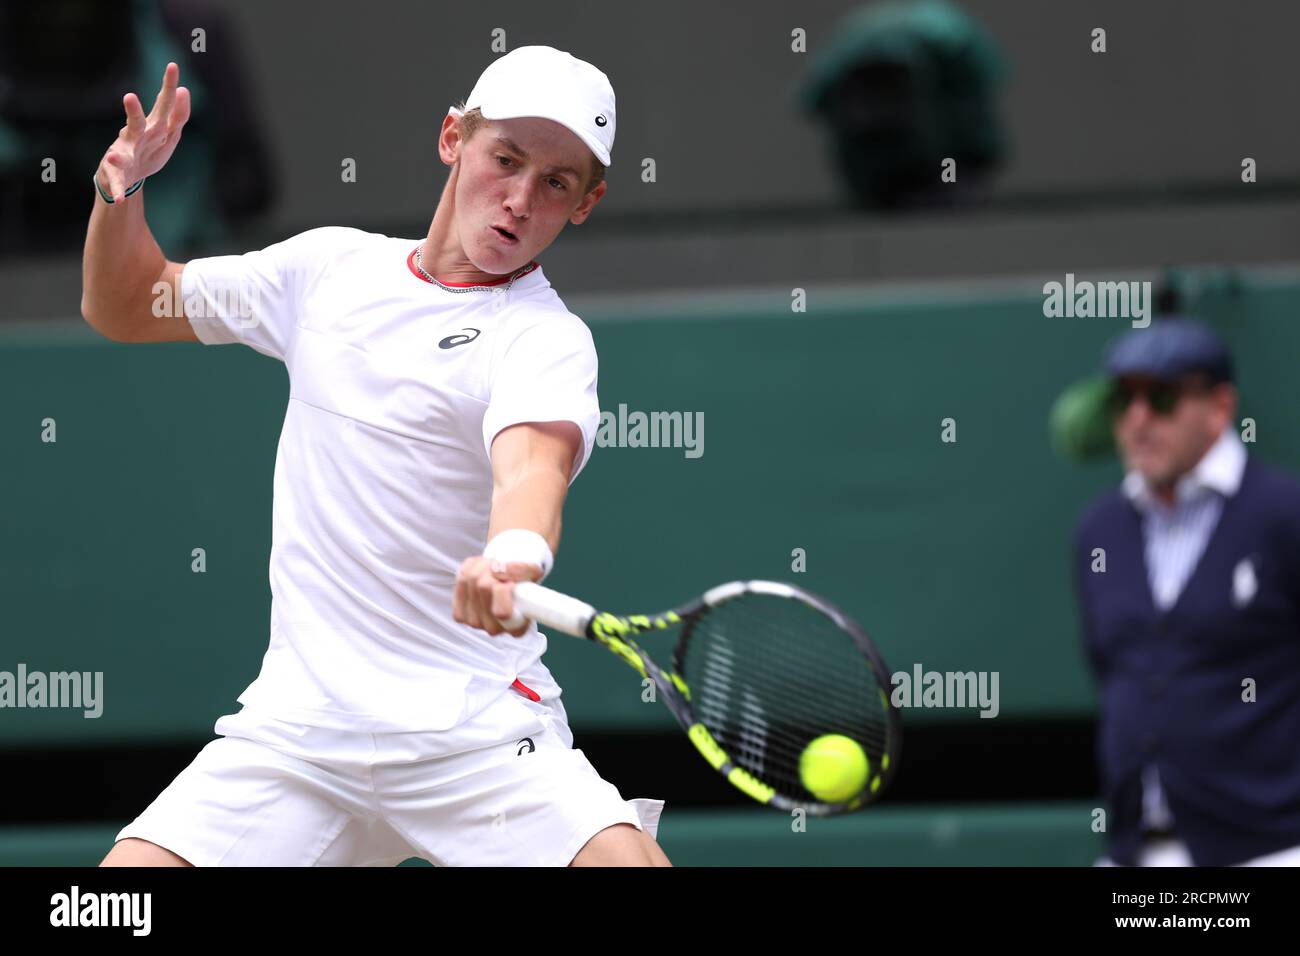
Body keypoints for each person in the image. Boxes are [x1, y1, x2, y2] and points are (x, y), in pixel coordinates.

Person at [82, 46, 670, 866]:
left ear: (586, 202)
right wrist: (122, 190)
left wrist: (511, 557)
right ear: (451, 138)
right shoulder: (325, 270)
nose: (519, 199)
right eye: (505, 160)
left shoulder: (546, 340)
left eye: (556, 183)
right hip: (297, 739)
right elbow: (123, 305)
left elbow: (530, 470)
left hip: (477, 737)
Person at [1073, 317, 1300, 866]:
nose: (1138, 419)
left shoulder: (1284, 515)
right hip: (1136, 853)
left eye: (1163, 399)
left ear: (1220, 408)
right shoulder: (1098, 531)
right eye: (1123, 401)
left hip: (1271, 851)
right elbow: (1113, 673)